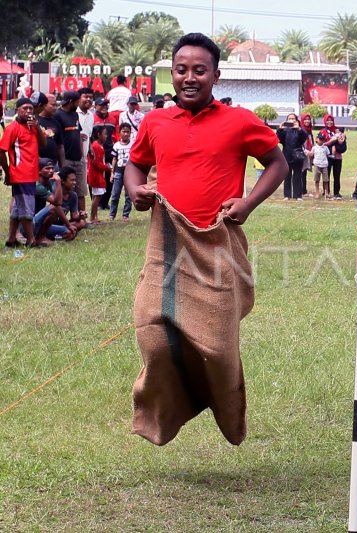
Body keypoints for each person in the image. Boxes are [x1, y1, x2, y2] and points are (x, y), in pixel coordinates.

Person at [124, 32, 288, 446]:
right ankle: (163, 412)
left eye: (200, 70)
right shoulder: (155, 121)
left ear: (216, 75)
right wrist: (135, 191)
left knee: (216, 349)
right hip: (167, 243)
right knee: (154, 335)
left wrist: (248, 204)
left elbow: (277, 163)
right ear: (172, 75)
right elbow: (135, 165)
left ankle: (227, 412)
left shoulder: (240, 121)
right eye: (181, 70)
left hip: (217, 244)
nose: (189, 77)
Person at [1, 98, 47, 247]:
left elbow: (43, 143)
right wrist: (8, 173)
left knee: (18, 208)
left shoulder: (33, 126)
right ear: (17, 111)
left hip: (31, 173)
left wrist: (37, 127)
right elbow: (2, 152)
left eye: (30, 108)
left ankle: (11, 239)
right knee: (27, 208)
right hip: (20, 174)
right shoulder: (12, 128)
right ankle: (31, 240)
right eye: (24, 108)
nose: (28, 111)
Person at [55, 91, 85, 215]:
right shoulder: (58, 115)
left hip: (78, 158)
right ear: (71, 102)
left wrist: (82, 154)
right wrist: (62, 162)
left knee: (81, 190)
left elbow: (78, 134)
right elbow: (58, 140)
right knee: (65, 190)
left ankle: (81, 216)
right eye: (77, 102)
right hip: (66, 159)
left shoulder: (75, 115)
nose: (79, 104)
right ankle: (60, 217)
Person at [276, 113, 308, 200]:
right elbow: (278, 139)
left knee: (297, 176)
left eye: (293, 118)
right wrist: (280, 129)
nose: (291, 120)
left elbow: (305, 136)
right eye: (289, 118)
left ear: (296, 120)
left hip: (297, 155)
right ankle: (287, 195)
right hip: (286, 155)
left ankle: (298, 195)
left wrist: (299, 128)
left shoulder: (299, 129)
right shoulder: (285, 130)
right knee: (287, 176)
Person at [93, 98, 117, 209]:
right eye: (101, 105)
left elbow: (116, 134)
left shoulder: (112, 119)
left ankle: (104, 202)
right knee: (96, 176)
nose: (104, 107)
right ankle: (97, 202)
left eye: (106, 105)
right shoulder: (92, 118)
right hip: (96, 151)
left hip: (109, 152)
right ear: (96, 106)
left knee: (109, 176)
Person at [318, 113, 347, 199]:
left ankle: (337, 192)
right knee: (326, 175)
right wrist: (332, 141)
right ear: (325, 121)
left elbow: (342, 143)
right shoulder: (322, 132)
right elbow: (321, 144)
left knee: (337, 175)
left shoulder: (338, 131)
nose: (329, 122)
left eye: (331, 120)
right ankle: (326, 191)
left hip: (337, 157)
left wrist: (340, 139)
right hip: (326, 157)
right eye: (328, 120)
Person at [109, 122, 133, 221]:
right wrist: (112, 173)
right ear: (120, 133)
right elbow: (114, 159)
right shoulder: (116, 146)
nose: (126, 134)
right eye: (124, 132)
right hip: (119, 171)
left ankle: (126, 214)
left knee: (128, 195)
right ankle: (112, 214)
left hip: (129, 172)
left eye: (128, 132)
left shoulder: (133, 144)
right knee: (115, 194)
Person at [87, 125, 111, 225]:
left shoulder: (98, 146)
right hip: (95, 175)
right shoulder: (96, 146)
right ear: (98, 134)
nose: (106, 136)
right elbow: (96, 162)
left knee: (97, 196)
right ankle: (93, 218)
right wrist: (107, 168)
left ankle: (95, 217)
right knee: (96, 197)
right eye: (104, 134)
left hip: (98, 174)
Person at [36, 93, 63, 167]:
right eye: (53, 105)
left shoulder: (56, 122)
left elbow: (60, 146)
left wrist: (62, 165)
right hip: (38, 164)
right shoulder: (35, 120)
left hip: (53, 165)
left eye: (56, 105)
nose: (55, 108)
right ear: (44, 105)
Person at [307, 133, 330, 198]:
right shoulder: (314, 148)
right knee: (317, 179)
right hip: (317, 164)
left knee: (326, 180)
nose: (321, 141)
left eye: (323, 139)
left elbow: (328, 155)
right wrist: (306, 152)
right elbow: (311, 154)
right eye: (320, 139)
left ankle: (326, 192)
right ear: (317, 139)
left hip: (324, 165)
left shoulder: (325, 148)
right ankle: (317, 193)